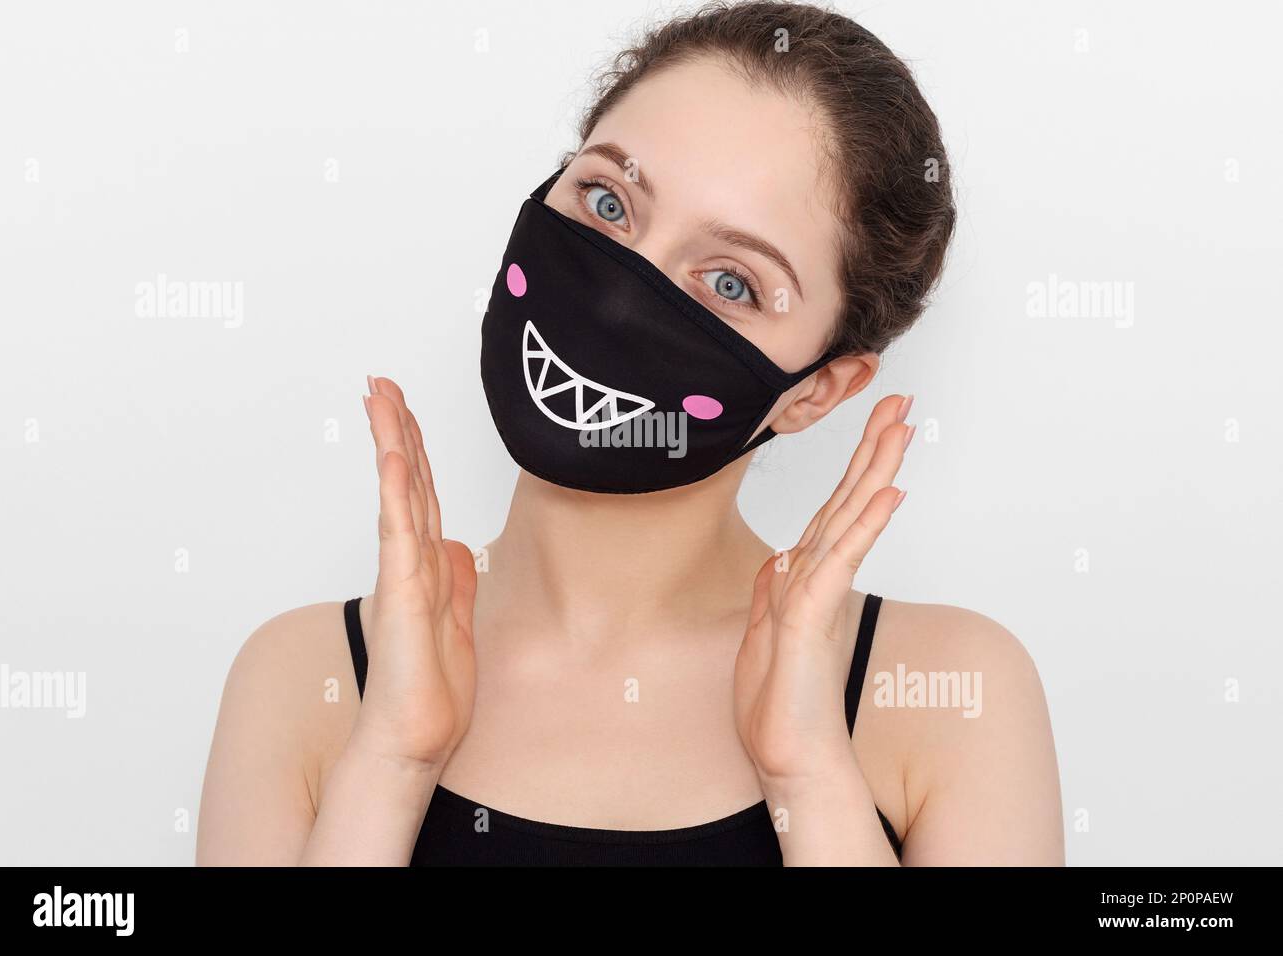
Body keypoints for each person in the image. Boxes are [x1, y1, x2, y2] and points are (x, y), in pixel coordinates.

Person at [198, 0, 1063, 866]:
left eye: (731, 283)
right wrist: (390, 762)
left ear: (816, 392)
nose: (619, 299)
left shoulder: (948, 697)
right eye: (608, 200)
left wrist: (809, 778)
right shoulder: (302, 680)